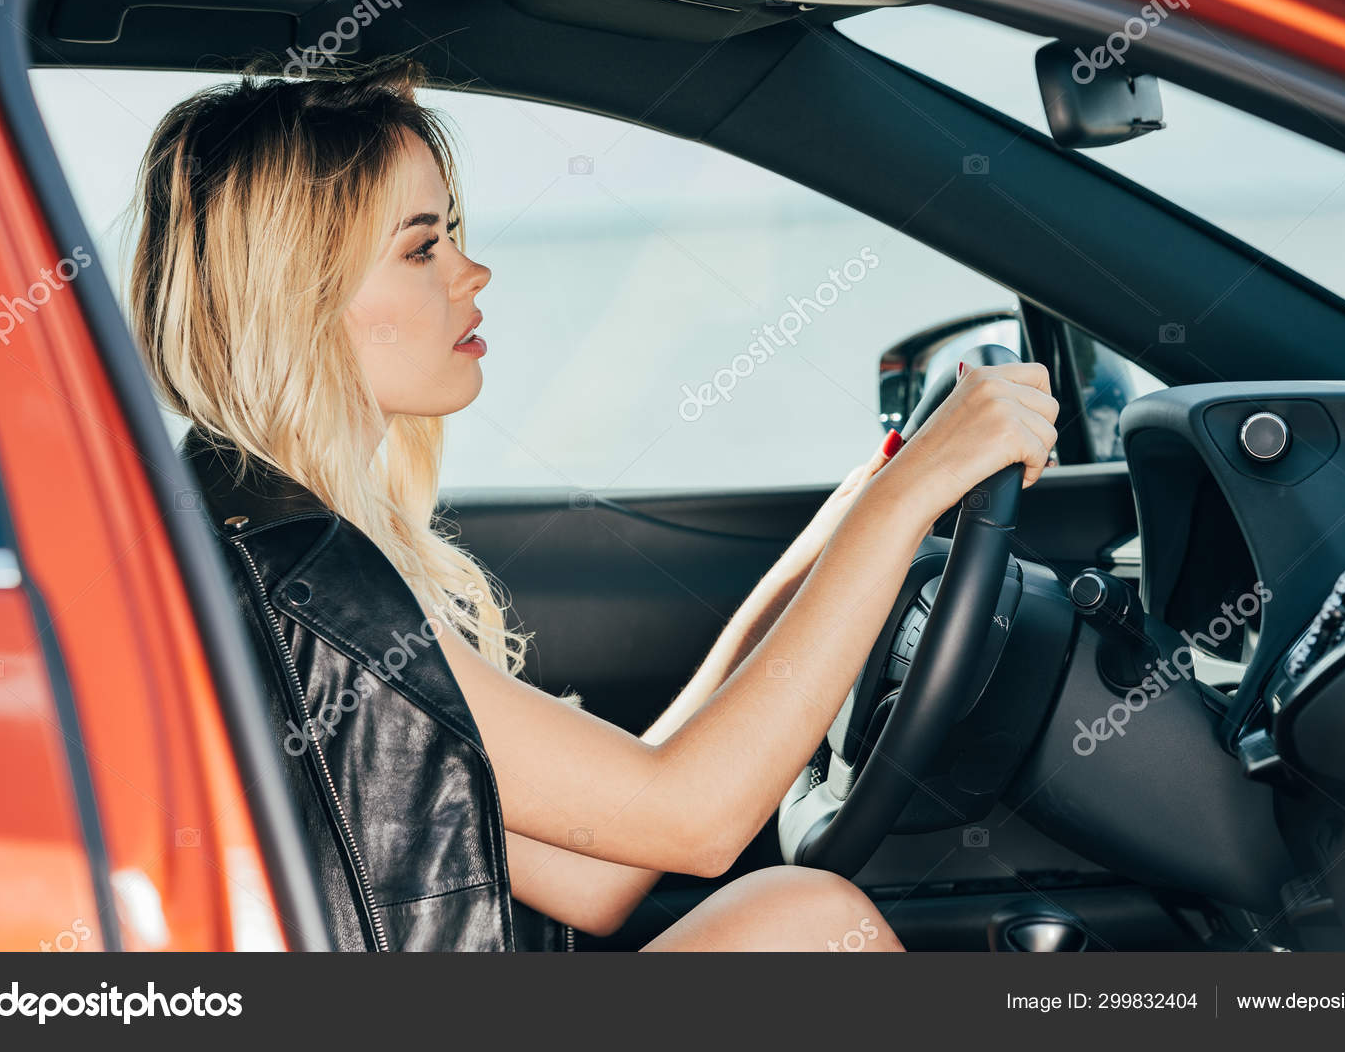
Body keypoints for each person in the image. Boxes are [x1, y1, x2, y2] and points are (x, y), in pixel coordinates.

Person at [128, 59, 1058, 952]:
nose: (472, 273)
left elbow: (602, 876)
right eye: (421, 247)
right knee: (809, 922)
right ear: (296, 294)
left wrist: (855, 514)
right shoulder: (311, 588)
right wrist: (903, 502)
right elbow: (696, 818)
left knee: (799, 920)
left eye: (452, 232)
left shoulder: (264, 538)